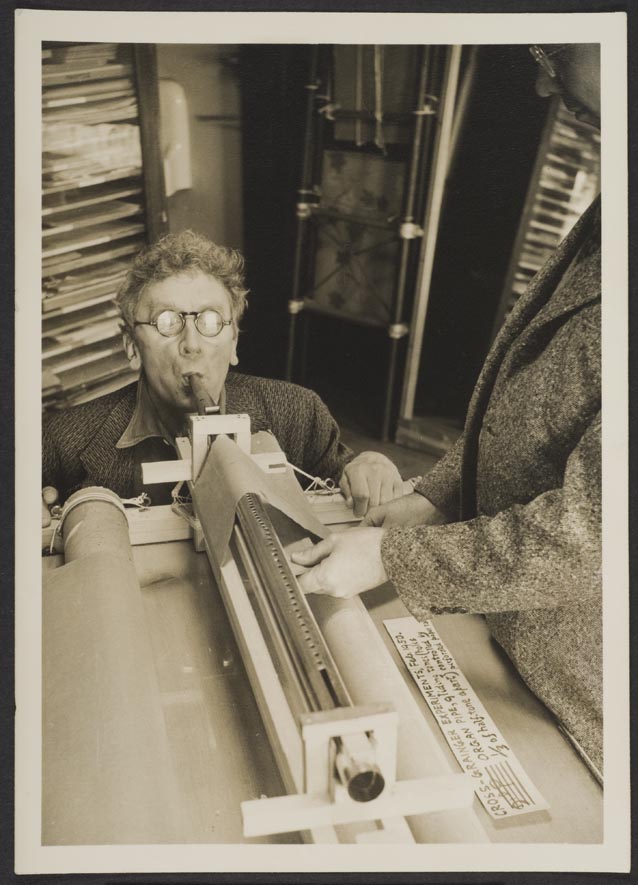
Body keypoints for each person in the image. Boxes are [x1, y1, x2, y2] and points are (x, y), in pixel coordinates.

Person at [294, 44, 603, 776]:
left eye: (561, 55)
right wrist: (436, 495)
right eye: (539, 51)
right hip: (510, 633)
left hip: (578, 695)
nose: (539, 77)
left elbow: (593, 537)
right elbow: (530, 413)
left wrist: (395, 557)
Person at [42, 231, 403, 521]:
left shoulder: (298, 412)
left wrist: (370, 465)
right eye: (167, 322)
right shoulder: (64, 441)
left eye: (210, 322)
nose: (192, 344)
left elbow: (345, 473)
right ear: (132, 347)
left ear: (233, 342)